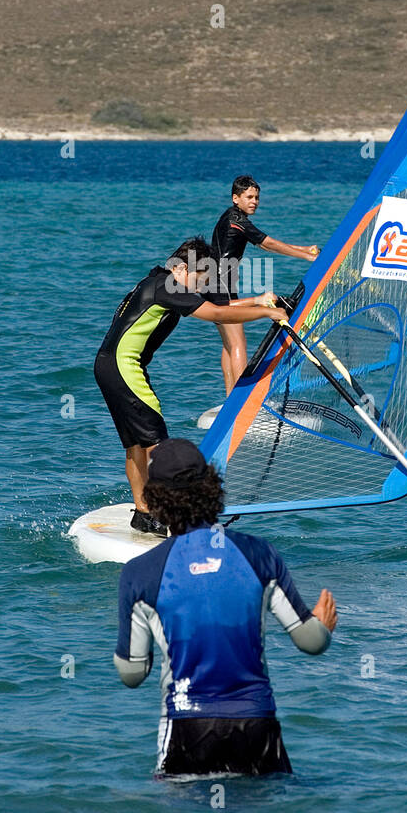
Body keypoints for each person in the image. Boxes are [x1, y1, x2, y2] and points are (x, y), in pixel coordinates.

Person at [114, 438, 338, 776]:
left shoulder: (140, 573)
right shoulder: (259, 554)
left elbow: (132, 674)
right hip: (256, 723)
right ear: (211, 487)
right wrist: (321, 624)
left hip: (187, 724)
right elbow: (311, 642)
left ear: (154, 499)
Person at [94, 238, 286, 535]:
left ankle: (145, 513)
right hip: (124, 367)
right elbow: (217, 314)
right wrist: (268, 313)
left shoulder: (157, 281)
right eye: (199, 280)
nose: (198, 288)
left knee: (135, 445)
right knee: (159, 446)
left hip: (106, 365)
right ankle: (175, 512)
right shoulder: (169, 287)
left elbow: (214, 305)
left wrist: (258, 300)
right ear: (182, 268)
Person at [208, 174, 318, 394]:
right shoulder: (237, 221)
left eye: (257, 197)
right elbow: (269, 243)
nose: (254, 201)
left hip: (213, 284)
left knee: (229, 344)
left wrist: (303, 249)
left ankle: (230, 398)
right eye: (249, 197)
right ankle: (238, 404)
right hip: (221, 287)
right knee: (238, 343)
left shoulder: (231, 217)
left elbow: (265, 245)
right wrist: (305, 256)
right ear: (235, 198)